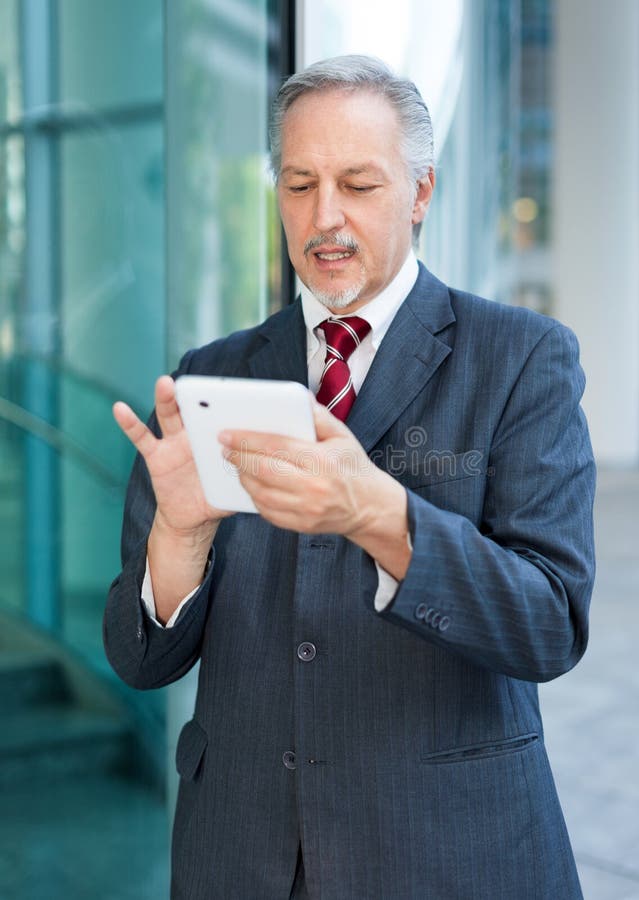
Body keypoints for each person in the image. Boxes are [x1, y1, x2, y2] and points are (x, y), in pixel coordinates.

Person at [104, 55, 595, 899]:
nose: (323, 216)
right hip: (241, 863)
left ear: (420, 192)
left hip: (449, 857)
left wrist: (379, 517)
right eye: (299, 185)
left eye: (357, 185)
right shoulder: (210, 376)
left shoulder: (520, 359)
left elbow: (549, 625)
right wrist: (178, 539)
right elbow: (140, 661)